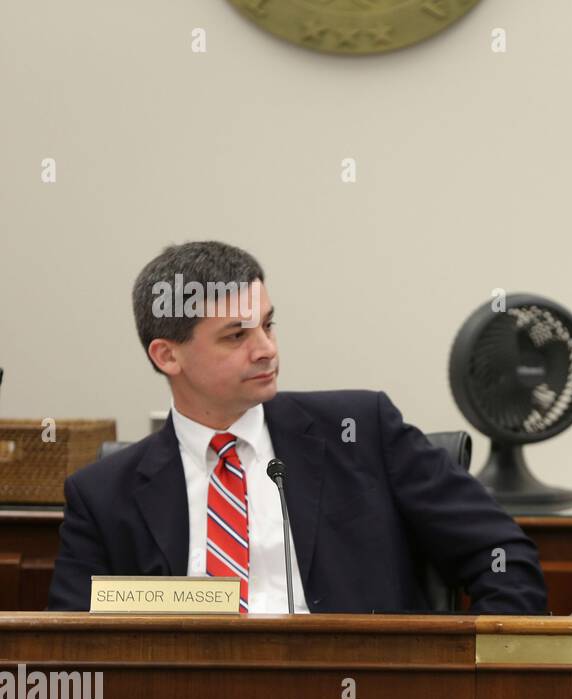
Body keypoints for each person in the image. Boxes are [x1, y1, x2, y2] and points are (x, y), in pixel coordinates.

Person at [48, 241, 546, 614]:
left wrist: (462, 685)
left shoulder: (362, 431)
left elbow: (502, 555)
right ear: (167, 355)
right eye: (236, 336)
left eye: (268, 325)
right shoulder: (103, 496)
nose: (266, 349)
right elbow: (76, 645)